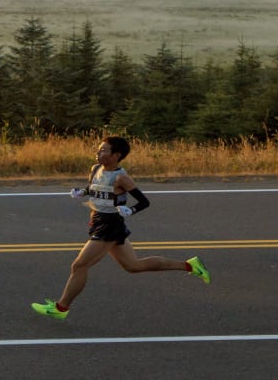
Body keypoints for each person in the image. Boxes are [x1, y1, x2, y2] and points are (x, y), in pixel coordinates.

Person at [31, 135, 209, 320]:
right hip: (97, 221)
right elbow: (94, 187)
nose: (98, 152)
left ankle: (61, 308)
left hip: (110, 225)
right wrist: (82, 192)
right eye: (99, 149)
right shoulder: (96, 169)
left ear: (116, 155)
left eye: (103, 150)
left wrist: (130, 210)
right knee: (133, 266)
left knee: (79, 265)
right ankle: (190, 266)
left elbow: (144, 202)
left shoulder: (121, 178)